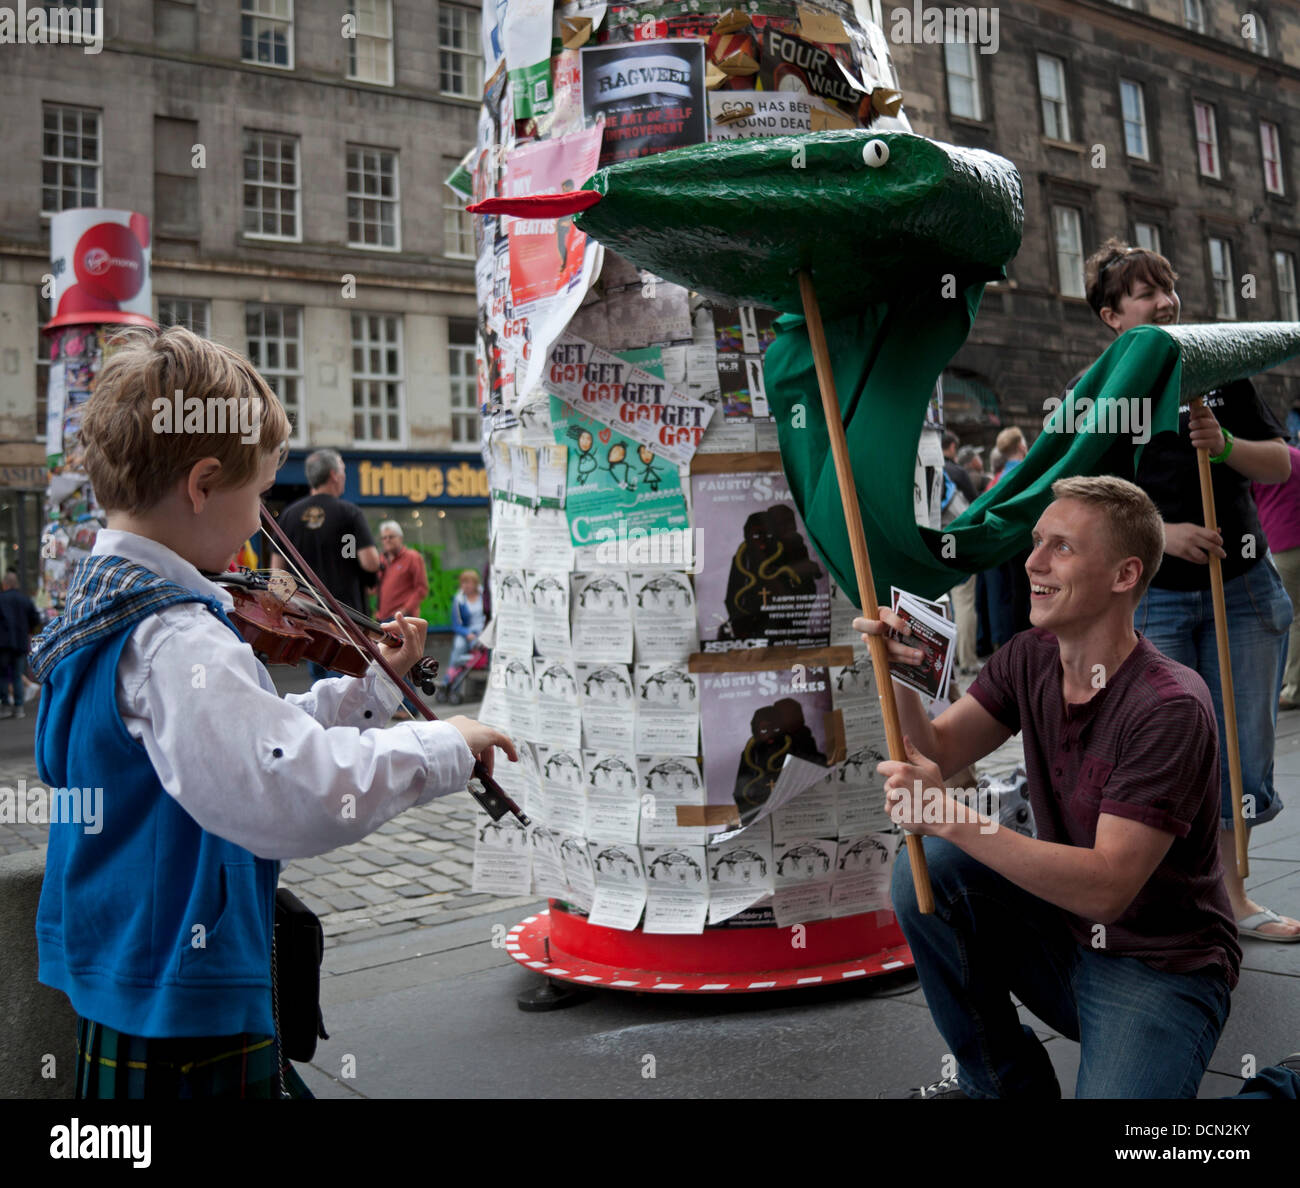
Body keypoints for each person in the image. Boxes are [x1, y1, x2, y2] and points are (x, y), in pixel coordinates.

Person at [30, 326, 516, 1099]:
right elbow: (291, 786)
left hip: (125, 966)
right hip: (182, 998)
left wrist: (371, 690)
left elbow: (254, 734)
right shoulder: (175, 638)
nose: (264, 523)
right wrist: (442, 744)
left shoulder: (97, 611)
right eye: (259, 496)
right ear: (201, 485)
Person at [859, 476, 1239, 1099]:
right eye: (1037, 542)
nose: (1032, 561)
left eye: (1061, 547)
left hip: (1161, 968)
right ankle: (1000, 1086)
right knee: (926, 870)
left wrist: (949, 814)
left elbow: (1108, 890)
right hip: (1062, 941)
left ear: (1124, 576)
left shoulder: (1169, 705)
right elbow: (937, 749)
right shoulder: (1029, 655)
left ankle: (1282, 1085)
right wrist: (899, 674)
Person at [1083, 238, 1297, 941]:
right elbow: (1083, 496)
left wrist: (1226, 446)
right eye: (1146, 293)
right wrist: (1161, 532)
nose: (1166, 302)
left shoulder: (1217, 371)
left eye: (1168, 288)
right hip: (1160, 598)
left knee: (1241, 748)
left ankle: (1235, 899)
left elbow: (1280, 465)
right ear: (1113, 316)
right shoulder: (1110, 389)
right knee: (1173, 746)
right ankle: (1179, 895)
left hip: (1243, 588)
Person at [270, 448, 381, 681]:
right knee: (348, 689)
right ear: (333, 475)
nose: (344, 475)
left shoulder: (289, 515)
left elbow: (277, 577)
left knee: (321, 690)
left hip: (309, 620)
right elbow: (369, 562)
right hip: (346, 620)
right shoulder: (348, 513)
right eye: (343, 470)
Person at [1253, 445, 1300, 713]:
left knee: (1292, 618)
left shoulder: (1254, 463)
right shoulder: (1293, 455)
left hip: (1283, 542)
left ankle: (1293, 688)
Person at [942, 432, 978, 674]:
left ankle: (945, 660)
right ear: (953, 446)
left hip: (930, 542)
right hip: (957, 544)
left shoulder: (922, 468)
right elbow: (975, 507)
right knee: (963, 601)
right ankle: (967, 660)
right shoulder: (957, 473)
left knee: (939, 602)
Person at [0, 570, 40, 718]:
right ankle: (19, 706)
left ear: (5, 584)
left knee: (3, 675)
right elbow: (35, 619)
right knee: (18, 675)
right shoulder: (25, 600)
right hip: (20, 642)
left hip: (3, 643)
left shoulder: (1, 598)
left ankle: (5, 705)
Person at [375, 522, 429, 622]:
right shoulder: (381, 559)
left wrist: (405, 610)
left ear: (400, 538)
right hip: (382, 618)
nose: (387, 540)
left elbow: (421, 588)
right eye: (384, 538)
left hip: (403, 619)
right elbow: (375, 589)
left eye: (391, 537)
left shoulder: (413, 557)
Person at [447, 569, 486, 677]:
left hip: (484, 631)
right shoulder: (459, 599)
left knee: (481, 646)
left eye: (469, 582)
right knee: (459, 647)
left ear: (475, 583)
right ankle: (448, 680)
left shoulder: (484, 596)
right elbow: (456, 625)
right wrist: (467, 633)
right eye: (464, 582)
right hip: (467, 632)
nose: (466, 585)